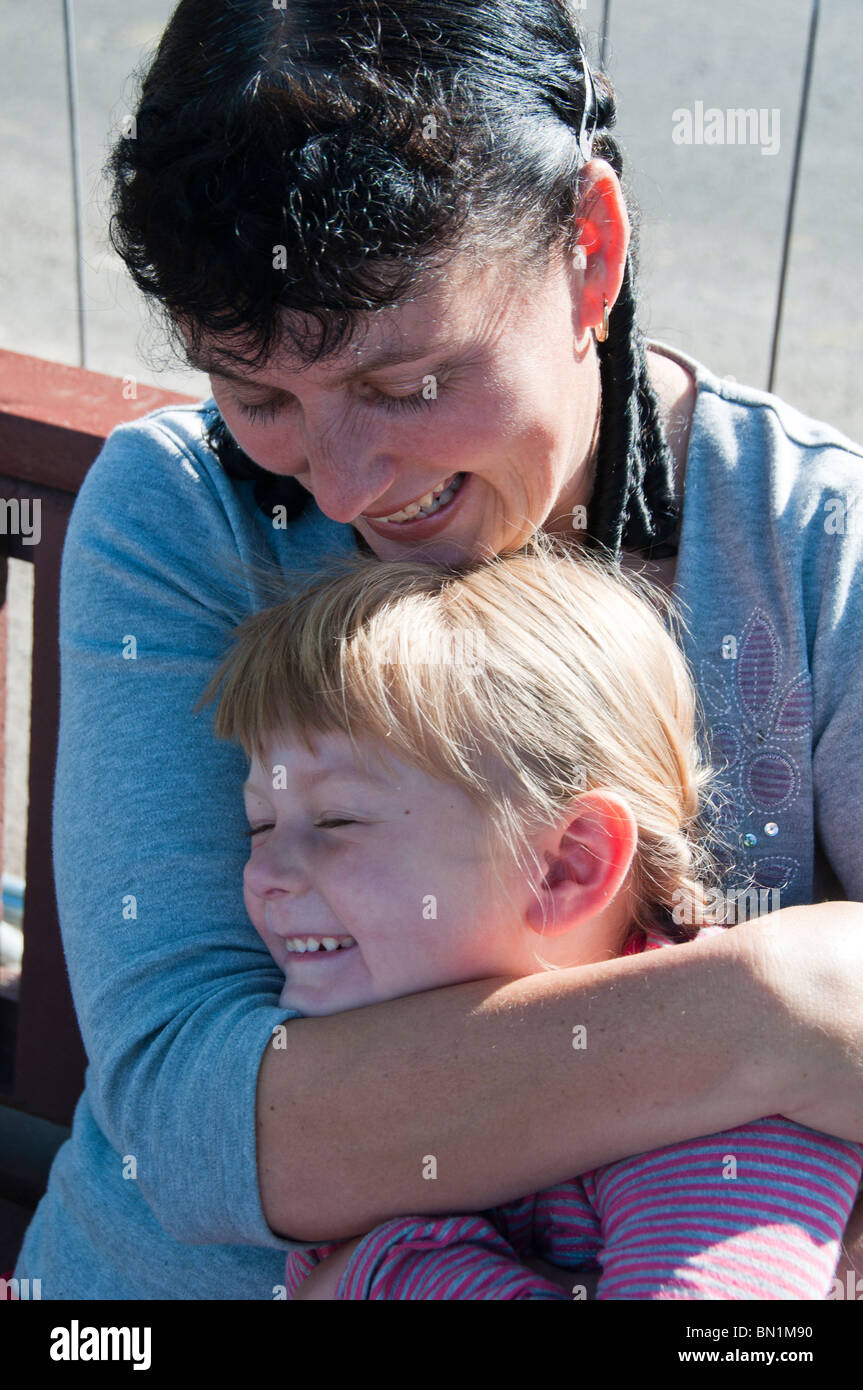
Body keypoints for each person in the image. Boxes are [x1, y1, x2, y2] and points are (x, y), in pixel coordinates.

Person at [13, 0, 863, 1300]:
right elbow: (193, 1118)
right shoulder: (183, 509)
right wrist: (765, 1007)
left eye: (404, 385)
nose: (342, 485)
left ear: (587, 251)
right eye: (257, 396)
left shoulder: (810, 548)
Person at [197, 536, 863, 1300]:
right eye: (259, 824)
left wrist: (379, 1273)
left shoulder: (718, 1104)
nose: (264, 875)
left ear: (565, 867)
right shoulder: (352, 1041)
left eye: (337, 821)